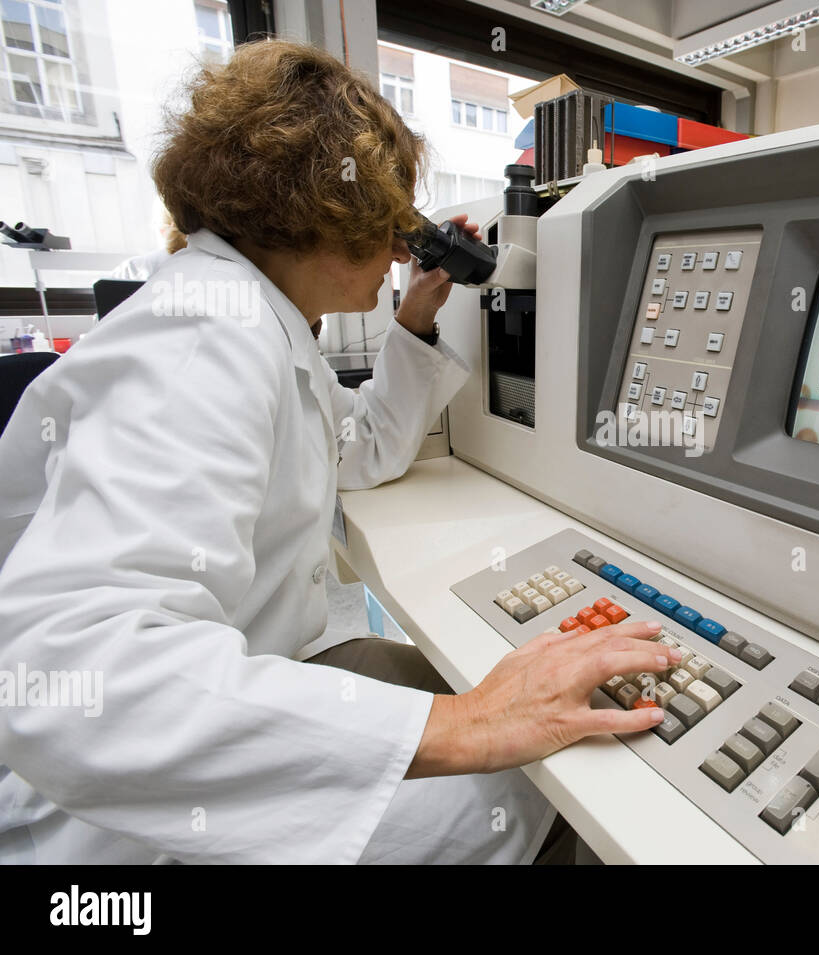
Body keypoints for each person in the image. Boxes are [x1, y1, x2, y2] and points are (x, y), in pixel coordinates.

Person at [0, 39, 676, 864]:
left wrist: (418, 319)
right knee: (543, 777)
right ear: (327, 211)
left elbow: (351, 448)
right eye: (390, 218)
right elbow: (82, 680)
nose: (402, 249)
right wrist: (471, 723)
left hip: (236, 688)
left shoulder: (251, 318)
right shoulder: (203, 341)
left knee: (465, 700)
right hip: (125, 822)